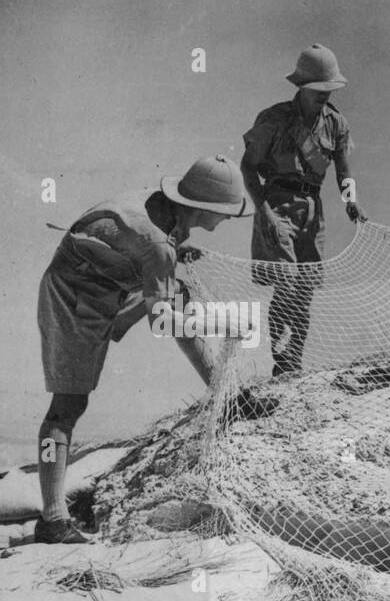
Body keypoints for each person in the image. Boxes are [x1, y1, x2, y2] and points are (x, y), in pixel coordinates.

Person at [35, 155, 252, 544]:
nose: (226, 221)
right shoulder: (157, 245)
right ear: (203, 207)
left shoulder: (161, 210)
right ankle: (52, 520)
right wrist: (226, 325)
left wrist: (170, 259)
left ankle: (223, 391)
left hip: (110, 282)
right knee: (67, 406)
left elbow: (132, 242)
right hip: (72, 295)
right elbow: (162, 321)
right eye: (224, 213)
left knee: (178, 293)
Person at [241, 43, 365, 376]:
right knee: (287, 283)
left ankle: (295, 358)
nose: (325, 95)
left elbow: (342, 167)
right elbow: (248, 168)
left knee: (306, 287)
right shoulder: (274, 119)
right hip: (277, 205)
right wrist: (263, 211)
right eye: (319, 88)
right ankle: (282, 362)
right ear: (302, 85)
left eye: (330, 88)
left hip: (314, 209)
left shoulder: (336, 123)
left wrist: (350, 201)